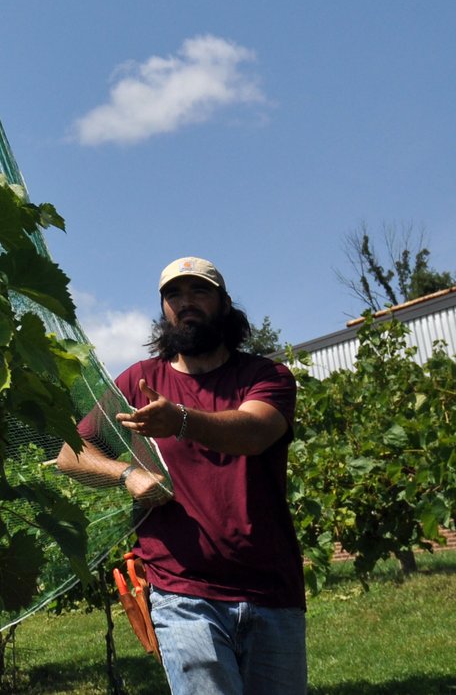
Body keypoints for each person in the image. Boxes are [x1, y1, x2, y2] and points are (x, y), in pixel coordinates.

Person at [56, 257, 305, 695]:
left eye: (198, 292)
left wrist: (181, 421)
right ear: (164, 310)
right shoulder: (138, 381)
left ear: (225, 304)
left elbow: (255, 432)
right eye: (173, 295)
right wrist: (126, 474)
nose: (184, 303)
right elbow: (71, 453)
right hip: (182, 589)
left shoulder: (264, 376)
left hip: (272, 588)